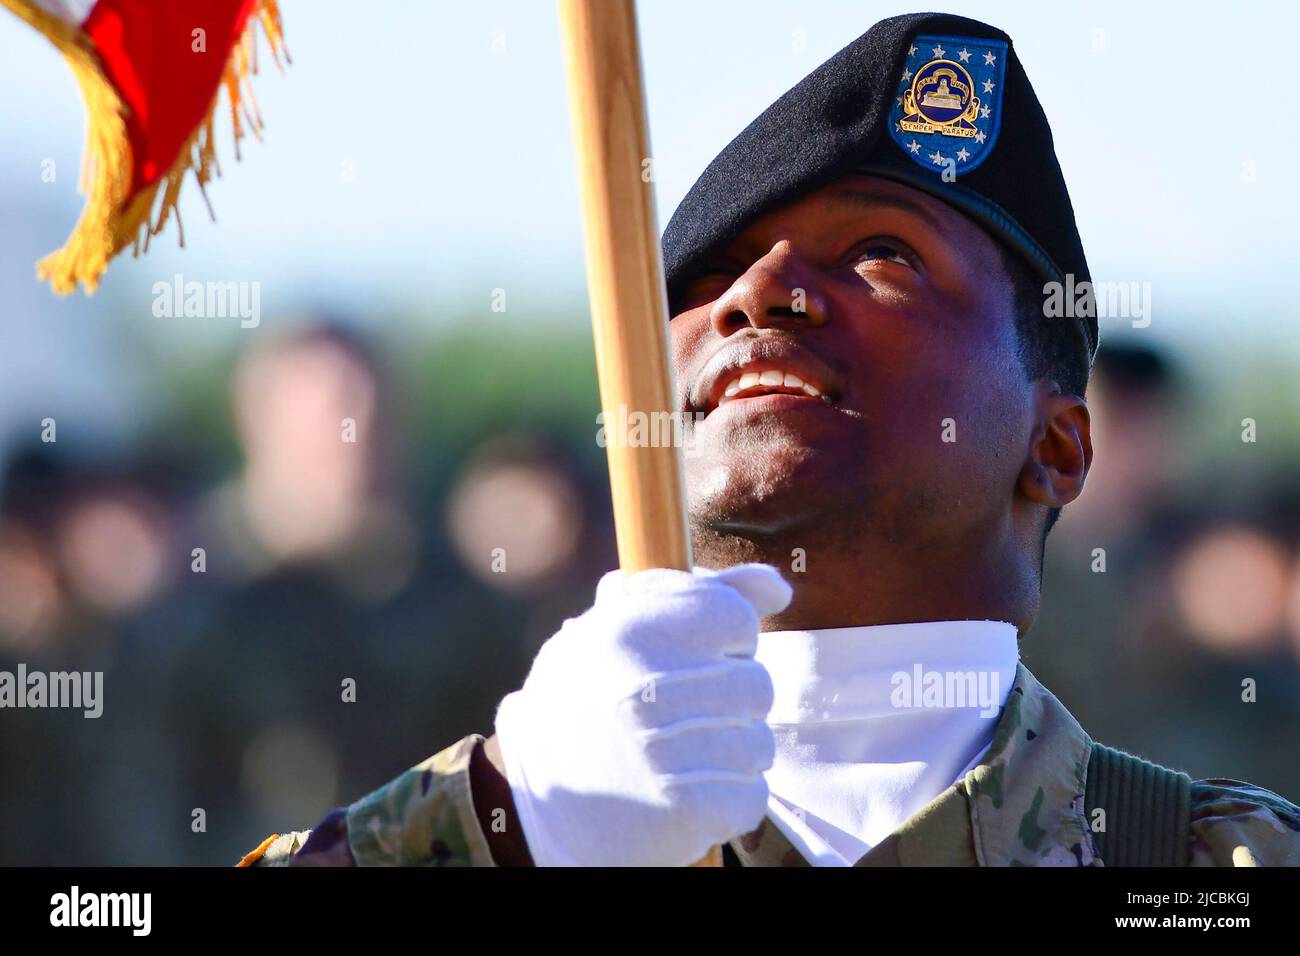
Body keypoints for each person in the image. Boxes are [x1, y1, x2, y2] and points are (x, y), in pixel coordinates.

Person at [240, 11, 1300, 868]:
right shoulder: (524, 820)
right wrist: (511, 824)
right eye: (709, 281)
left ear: (1058, 447)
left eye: (880, 253)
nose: (756, 295)